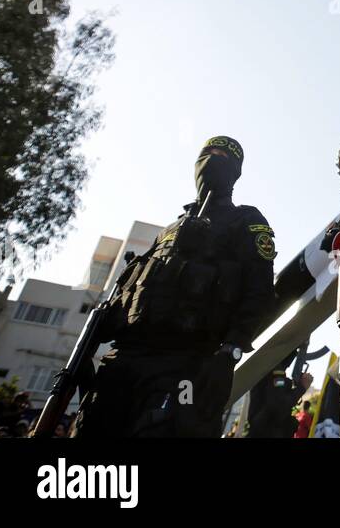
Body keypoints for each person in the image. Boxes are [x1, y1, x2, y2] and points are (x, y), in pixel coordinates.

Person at [71, 137, 277, 438]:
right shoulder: (170, 230)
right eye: (207, 154)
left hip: (187, 363)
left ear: (235, 173)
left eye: (222, 157)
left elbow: (259, 293)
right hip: (124, 360)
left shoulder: (245, 221)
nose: (212, 161)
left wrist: (230, 351)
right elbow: (131, 289)